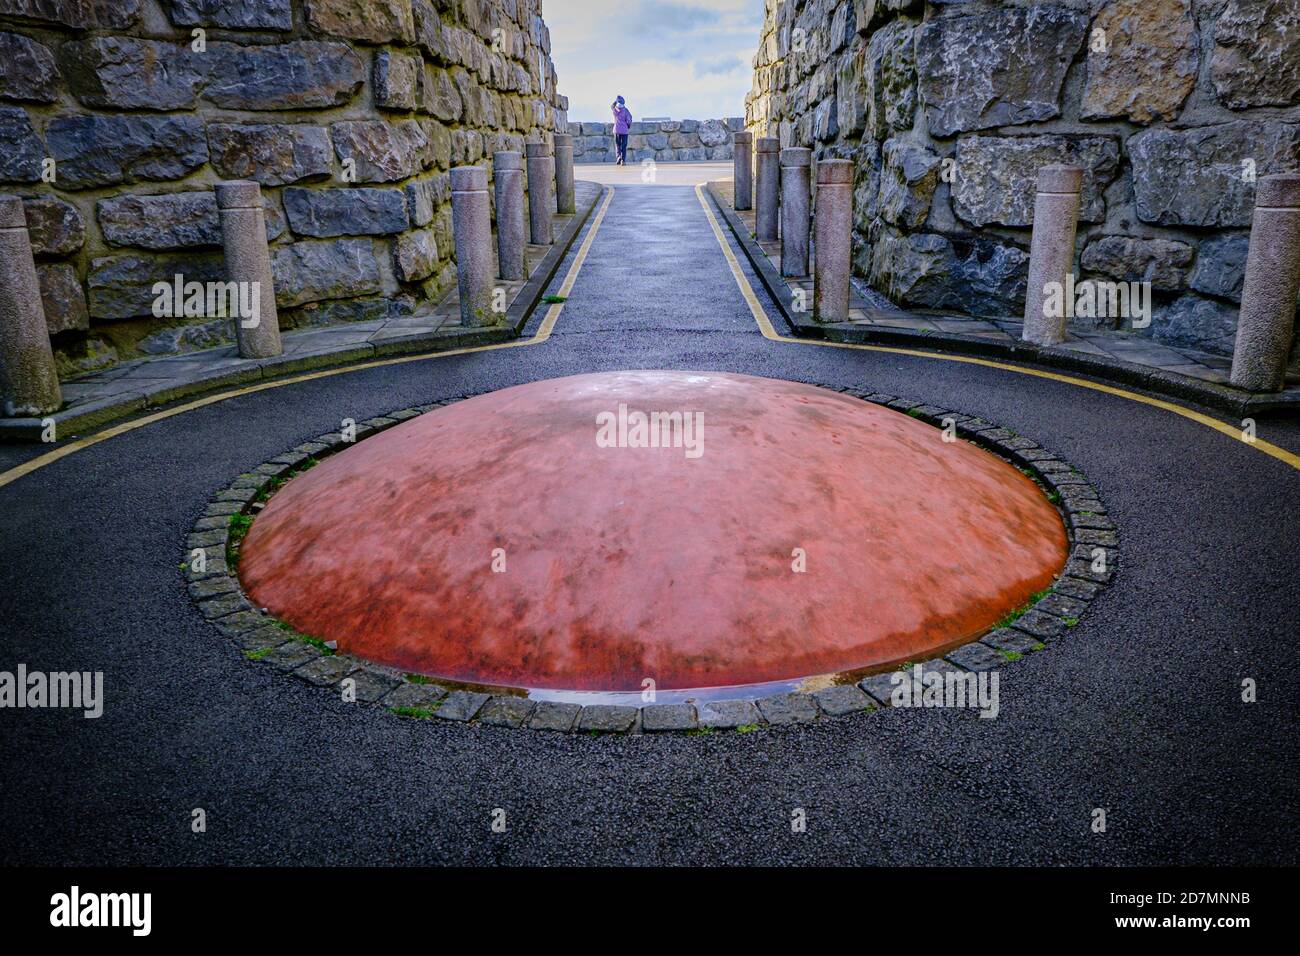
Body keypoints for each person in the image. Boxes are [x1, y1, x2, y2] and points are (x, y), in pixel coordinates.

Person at [611, 96, 632, 165]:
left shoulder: (614, 110)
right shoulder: (626, 110)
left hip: (616, 130)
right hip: (624, 131)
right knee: (624, 146)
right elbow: (629, 120)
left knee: (617, 145)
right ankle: (623, 160)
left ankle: (618, 157)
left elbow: (612, 106)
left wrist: (615, 101)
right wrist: (628, 125)